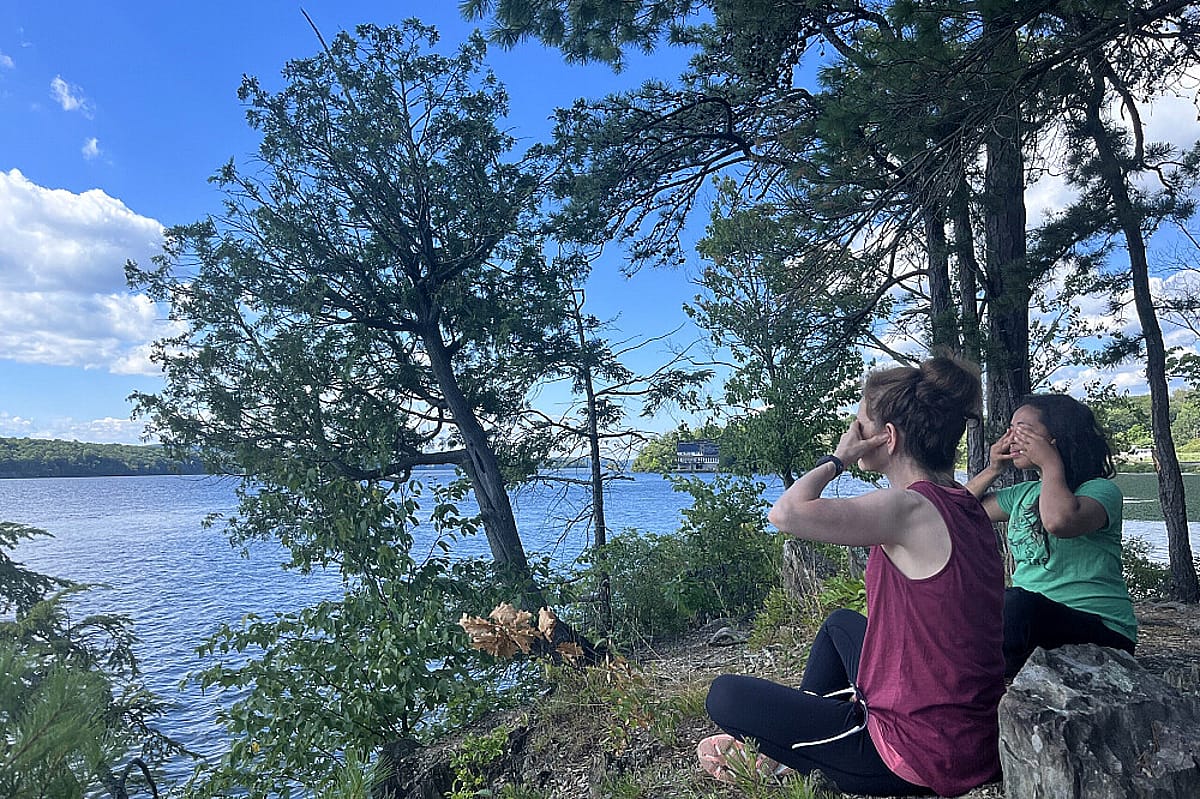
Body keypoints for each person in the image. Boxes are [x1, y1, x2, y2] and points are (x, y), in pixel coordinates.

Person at [699, 356, 1005, 797]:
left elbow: (785, 514)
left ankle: (793, 754)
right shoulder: (960, 501)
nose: (851, 434)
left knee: (724, 696)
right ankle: (791, 746)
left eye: (859, 426)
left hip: (916, 755)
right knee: (840, 624)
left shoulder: (907, 507)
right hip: (967, 734)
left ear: (888, 437)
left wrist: (839, 458)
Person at [965, 394, 1137, 679]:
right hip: (1031, 622)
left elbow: (1059, 521)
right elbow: (960, 511)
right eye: (1010, 429)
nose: (1011, 437)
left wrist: (1050, 464)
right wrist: (994, 468)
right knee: (979, 601)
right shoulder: (1023, 494)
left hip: (1100, 627)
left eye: (1022, 429)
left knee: (1015, 604)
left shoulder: (1099, 491)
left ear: (1056, 437)